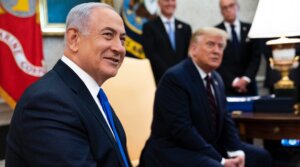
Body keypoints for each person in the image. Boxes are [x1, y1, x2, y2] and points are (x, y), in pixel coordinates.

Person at [5, 3, 131, 167]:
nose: (119, 48)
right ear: (74, 39)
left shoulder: (93, 95)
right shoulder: (48, 102)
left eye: (122, 39)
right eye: (108, 35)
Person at [139, 27, 271, 167]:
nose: (216, 50)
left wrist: (237, 151)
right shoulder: (174, 78)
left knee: (261, 157)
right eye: (210, 44)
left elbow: (226, 120)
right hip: (173, 150)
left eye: (220, 46)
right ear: (193, 49)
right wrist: (221, 160)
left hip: (206, 147)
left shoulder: (217, 79)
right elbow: (182, 130)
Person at [216, 0, 261, 96]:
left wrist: (245, 79)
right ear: (221, 11)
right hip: (226, 86)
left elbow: (256, 57)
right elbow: (216, 60)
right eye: (224, 8)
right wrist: (234, 81)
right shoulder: (216, 32)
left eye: (231, 6)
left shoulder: (250, 29)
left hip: (249, 85)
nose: (228, 10)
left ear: (237, 7)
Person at [142, 0, 192, 85]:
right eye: (166, 0)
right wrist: (170, 73)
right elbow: (151, 54)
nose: (170, 3)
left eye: (173, 0)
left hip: (183, 78)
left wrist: (182, 73)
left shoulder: (186, 28)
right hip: (160, 79)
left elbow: (189, 54)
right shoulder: (149, 27)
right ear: (158, 3)